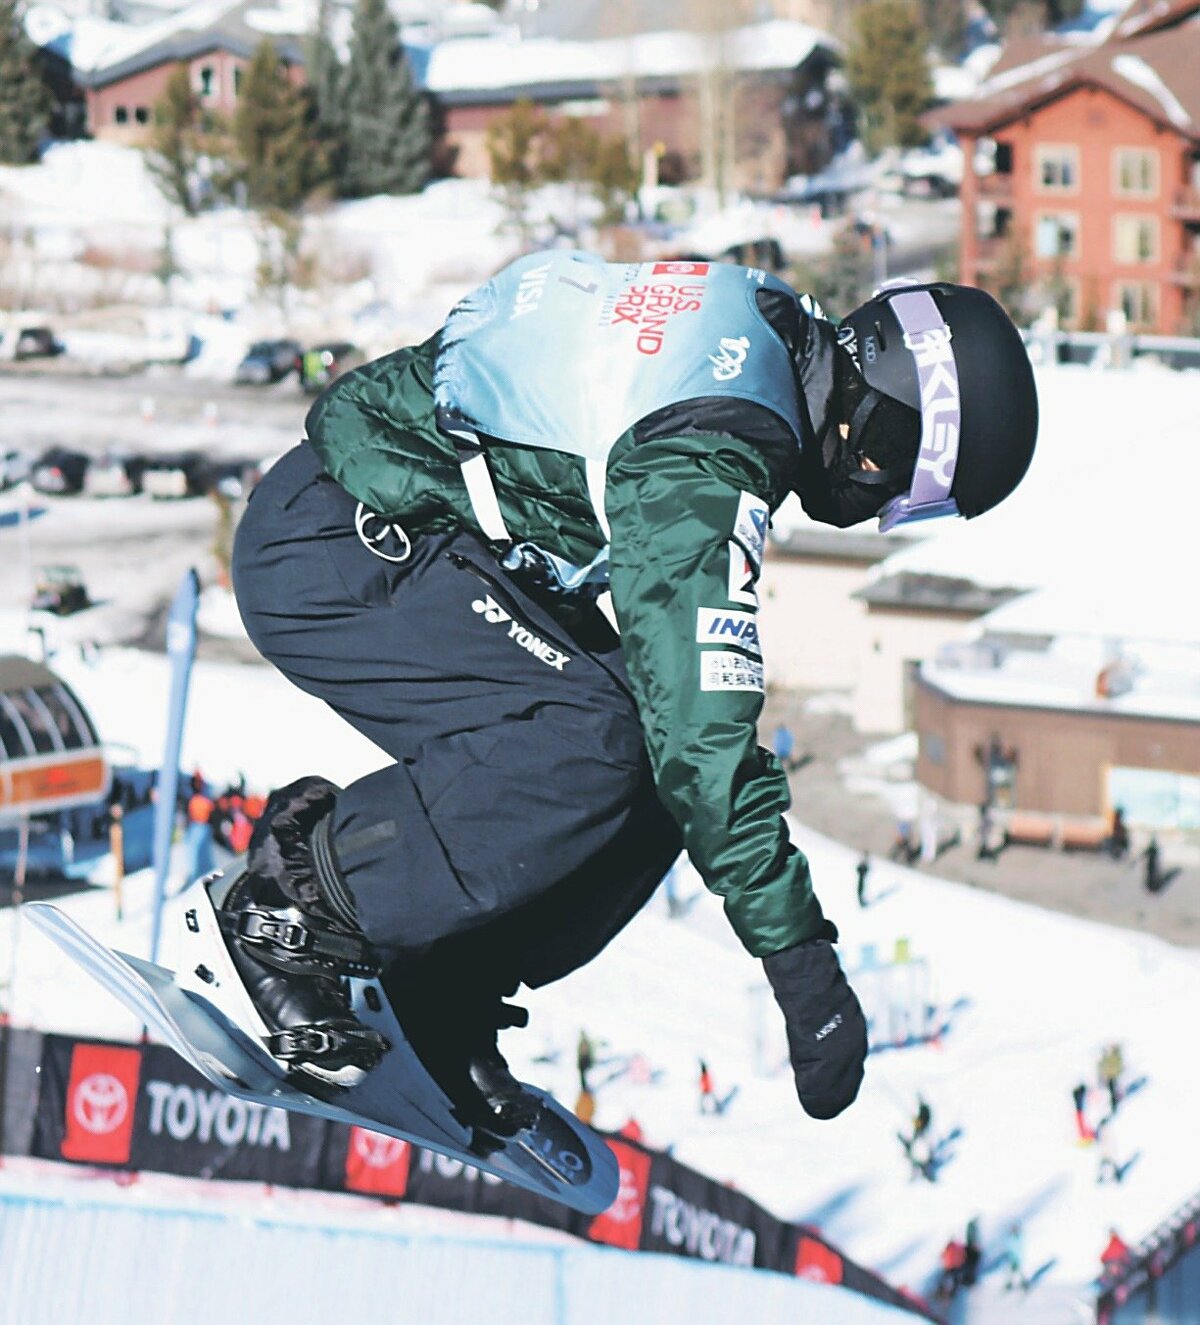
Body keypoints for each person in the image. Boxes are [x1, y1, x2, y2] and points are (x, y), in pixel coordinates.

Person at [226, 253, 1038, 1130]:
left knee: (637, 750)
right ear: (881, 418)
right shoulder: (712, 448)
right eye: (906, 482)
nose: (880, 506)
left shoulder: (763, 333)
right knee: (601, 738)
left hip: (394, 532)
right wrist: (802, 961)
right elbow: (702, 731)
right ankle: (294, 903)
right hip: (339, 550)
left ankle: (438, 984)